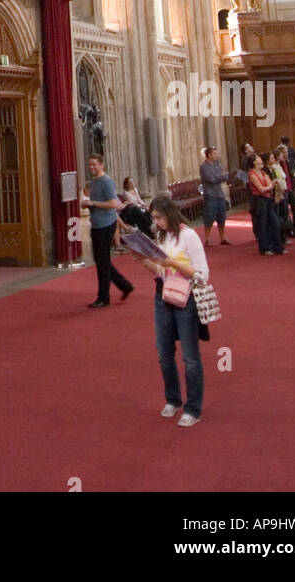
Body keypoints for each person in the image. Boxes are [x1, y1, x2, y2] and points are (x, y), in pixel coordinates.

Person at [129, 195, 209, 427]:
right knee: (164, 353)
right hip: (162, 296)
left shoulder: (188, 235)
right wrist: (144, 261)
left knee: (190, 357)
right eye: (153, 218)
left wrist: (172, 264)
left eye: (158, 217)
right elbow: (161, 273)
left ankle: (193, 408)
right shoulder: (161, 236)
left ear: (169, 214)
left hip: (186, 300)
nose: (156, 222)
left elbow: (203, 275)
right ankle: (172, 399)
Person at [81, 154, 133, 308]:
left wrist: (93, 203)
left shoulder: (106, 181)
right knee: (101, 261)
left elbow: (113, 204)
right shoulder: (95, 181)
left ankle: (104, 297)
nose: (92, 167)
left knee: (102, 262)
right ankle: (125, 286)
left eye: (95, 164)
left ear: (101, 165)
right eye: (90, 165)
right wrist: (88, 204)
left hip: (106, 225)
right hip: (96, 224)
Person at [248, 154, 284, 255]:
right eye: (258, 158)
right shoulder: (252, 174)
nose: (260, 159)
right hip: (259, 201)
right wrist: (269, 186)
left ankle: (277, 246)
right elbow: (261, 189)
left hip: (267, 199)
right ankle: (264, 248)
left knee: (274, 222)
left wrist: (268, 187)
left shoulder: (263, 173)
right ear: (254, 162)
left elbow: (269, 186)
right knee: (262, 224)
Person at [199, 147, 230, 246]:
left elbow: (225, 176)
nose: (217, 155)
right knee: (209, 217)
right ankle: (208, 238)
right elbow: (211, 179)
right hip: (210, 195)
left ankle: (222, 237)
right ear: (209, 155)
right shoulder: (204, 167)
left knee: (222, 217)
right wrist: (220, 177)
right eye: (215, 154)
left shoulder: (218, 165)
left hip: (219, 194)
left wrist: (219, 177)